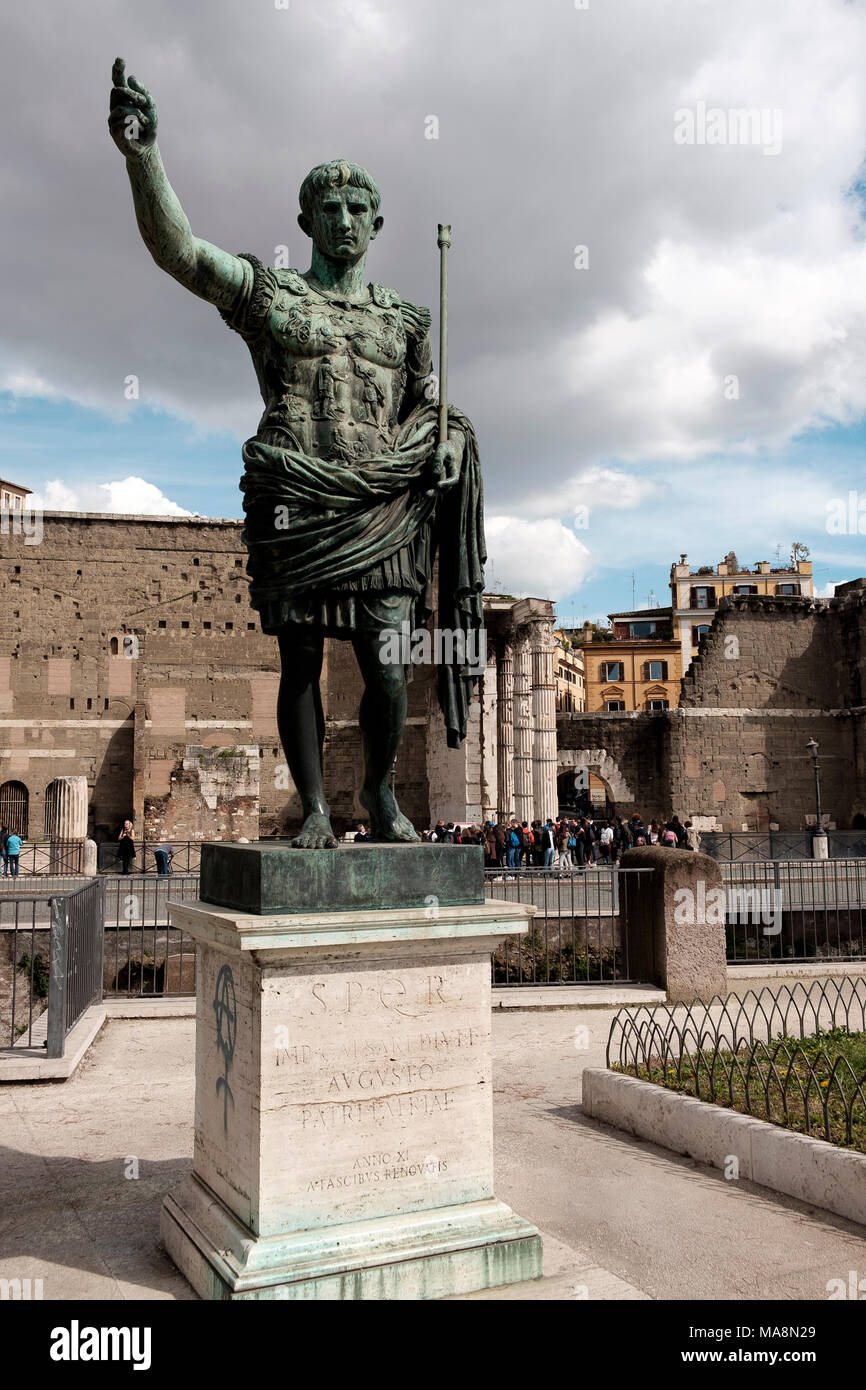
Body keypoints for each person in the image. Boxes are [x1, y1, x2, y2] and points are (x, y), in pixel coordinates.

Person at [108, 62, 484, 850]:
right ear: (306, 219)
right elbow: (180, 252)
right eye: (329, 208)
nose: (344, 220)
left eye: (358, 209)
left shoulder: (408, 321)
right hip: (297, 507)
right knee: (302, 661)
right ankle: (315, 808)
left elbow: (433, 410)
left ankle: (378, 793)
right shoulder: (272, 298)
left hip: (380, 511)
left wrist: (447, 444)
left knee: (387, 667)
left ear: (377, 225)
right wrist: (143, 156)